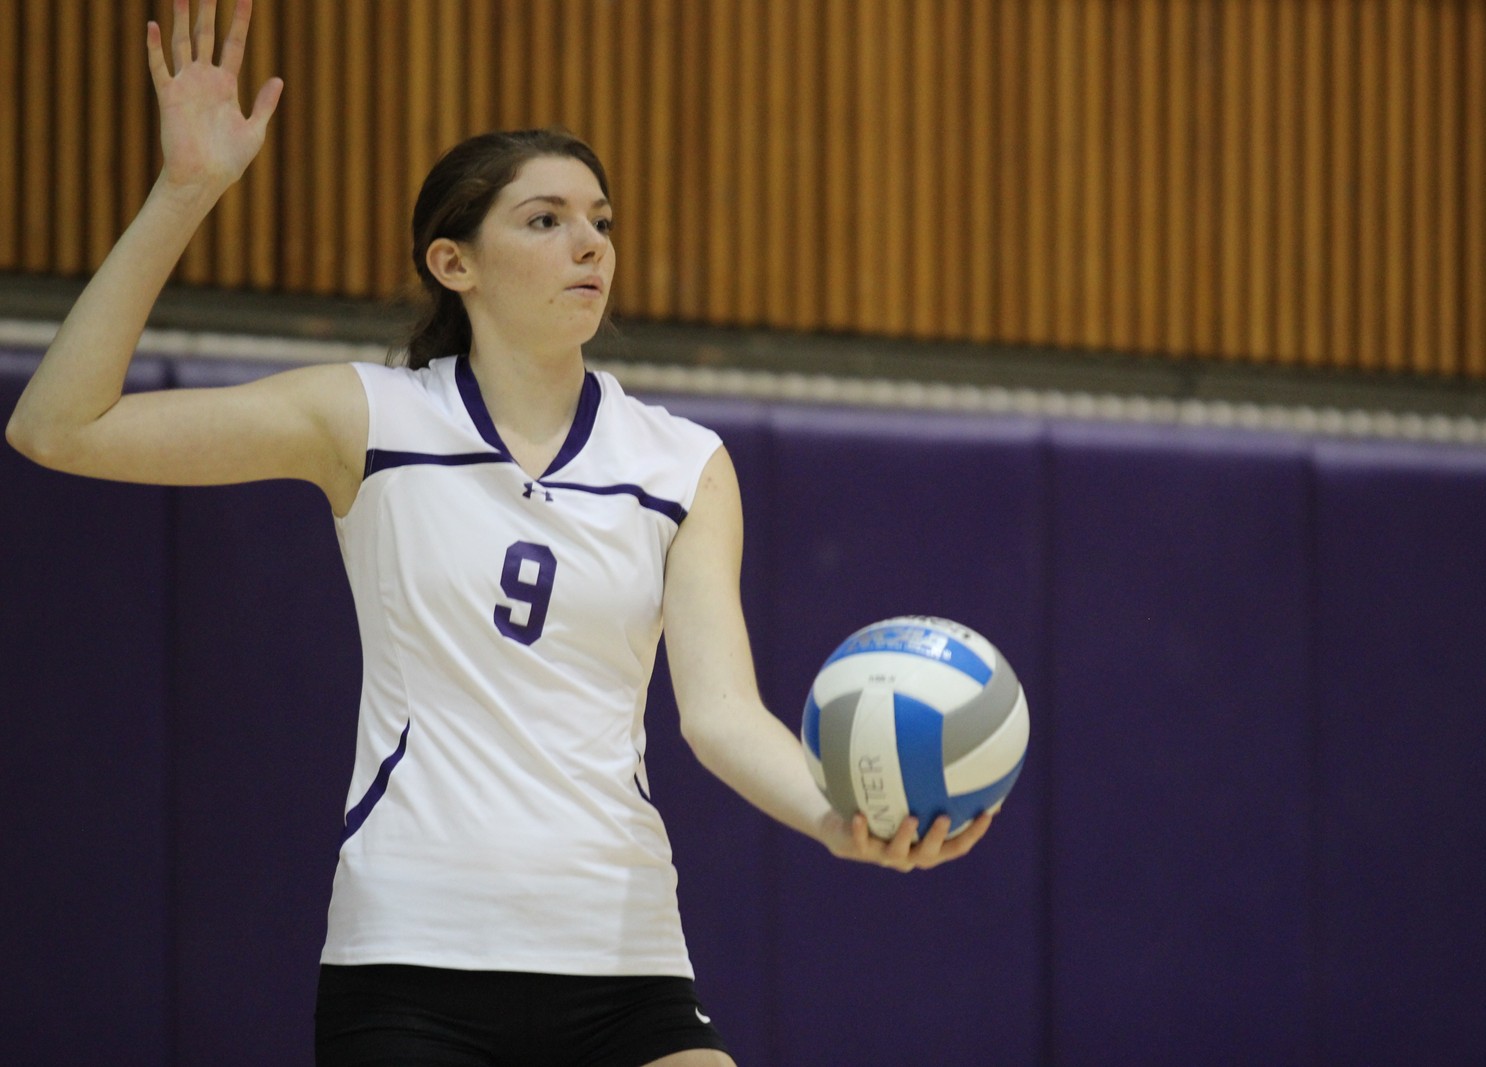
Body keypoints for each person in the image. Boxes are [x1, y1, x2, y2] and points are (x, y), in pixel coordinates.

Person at [5, 1, 994, 1064]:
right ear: (452, 263)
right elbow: (59, 426)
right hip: (414, 959)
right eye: (545, 219)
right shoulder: (367, 419)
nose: (589, 243)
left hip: (625, 959)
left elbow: (718, 716)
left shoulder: (681, 462)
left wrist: (834, 815)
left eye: (601, 220)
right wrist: (184, 191)